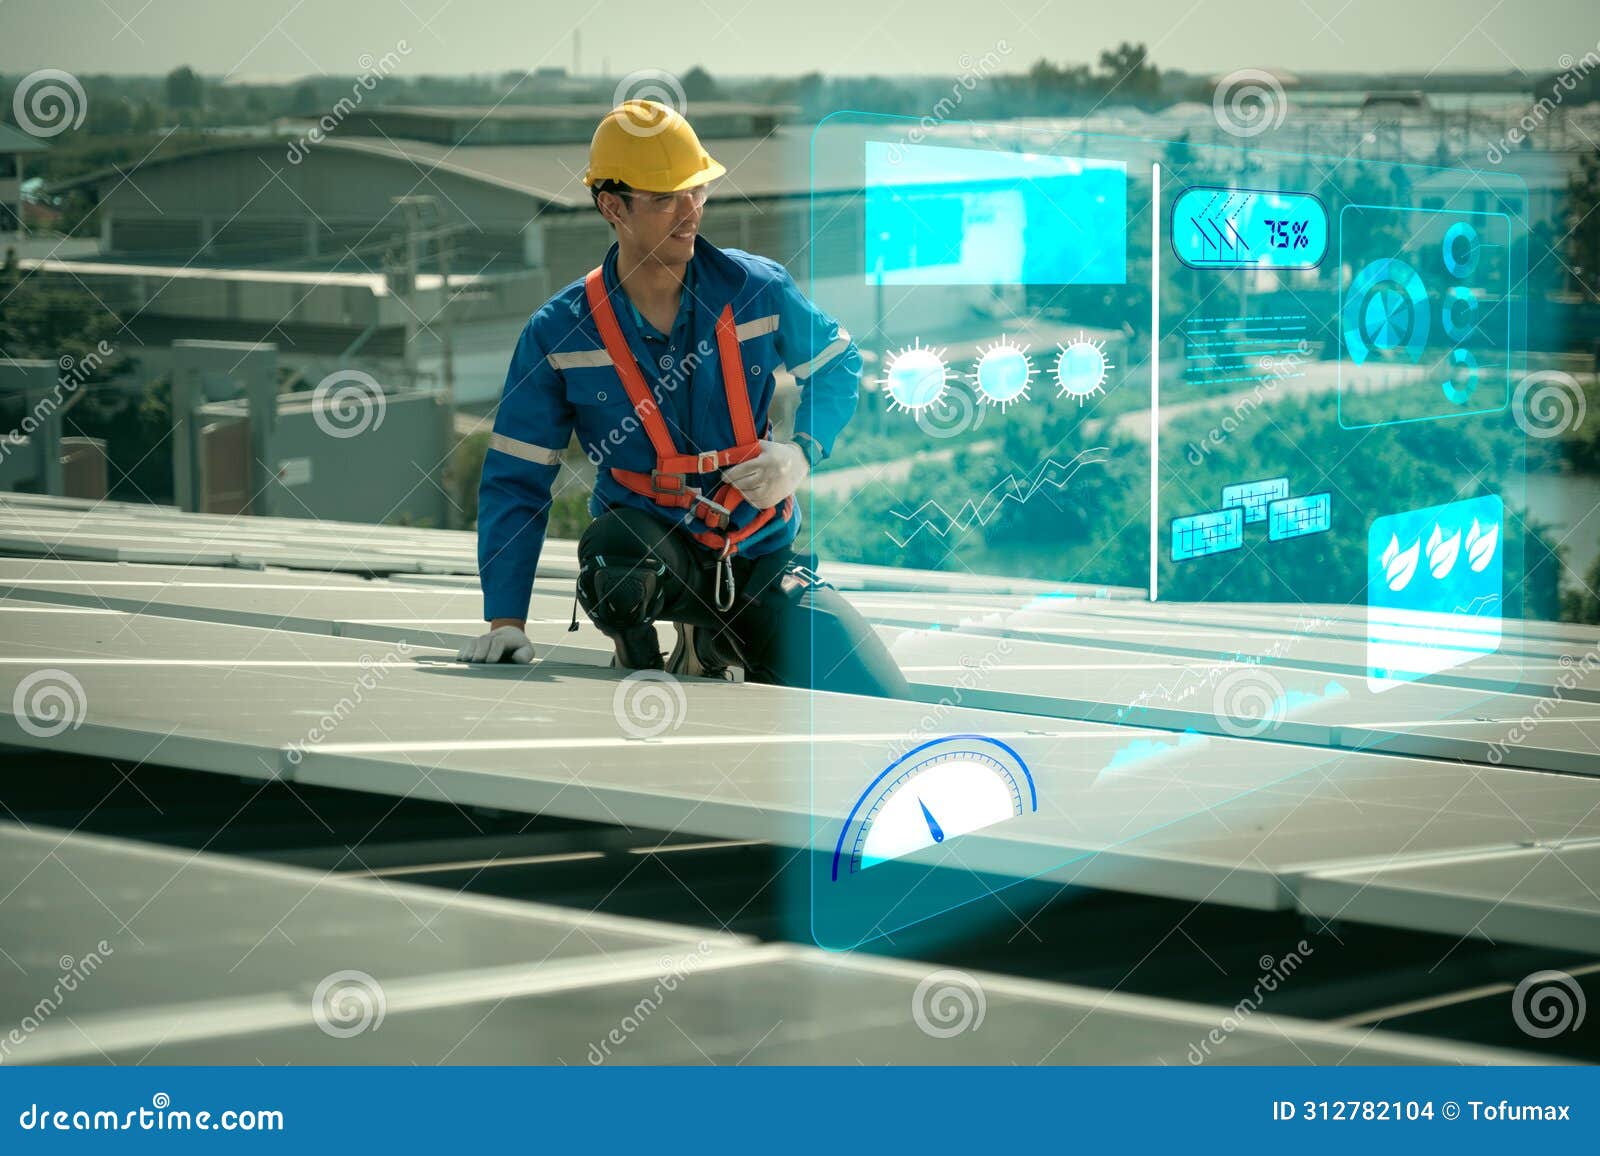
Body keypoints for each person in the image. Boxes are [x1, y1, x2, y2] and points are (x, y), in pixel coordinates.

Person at [458, 100, 909, 699]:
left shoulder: (757, 290)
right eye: (665, 198)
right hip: (648, 566)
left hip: (756, 554)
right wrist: (506, 622)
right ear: (612, 206)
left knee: (878, 698)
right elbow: (516, 479)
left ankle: (721, 638)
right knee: (616, 556)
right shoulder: (560, 333)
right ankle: (642, 660)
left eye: (697, 190)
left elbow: (839, 364)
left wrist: (801, 453)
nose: (691, 210)